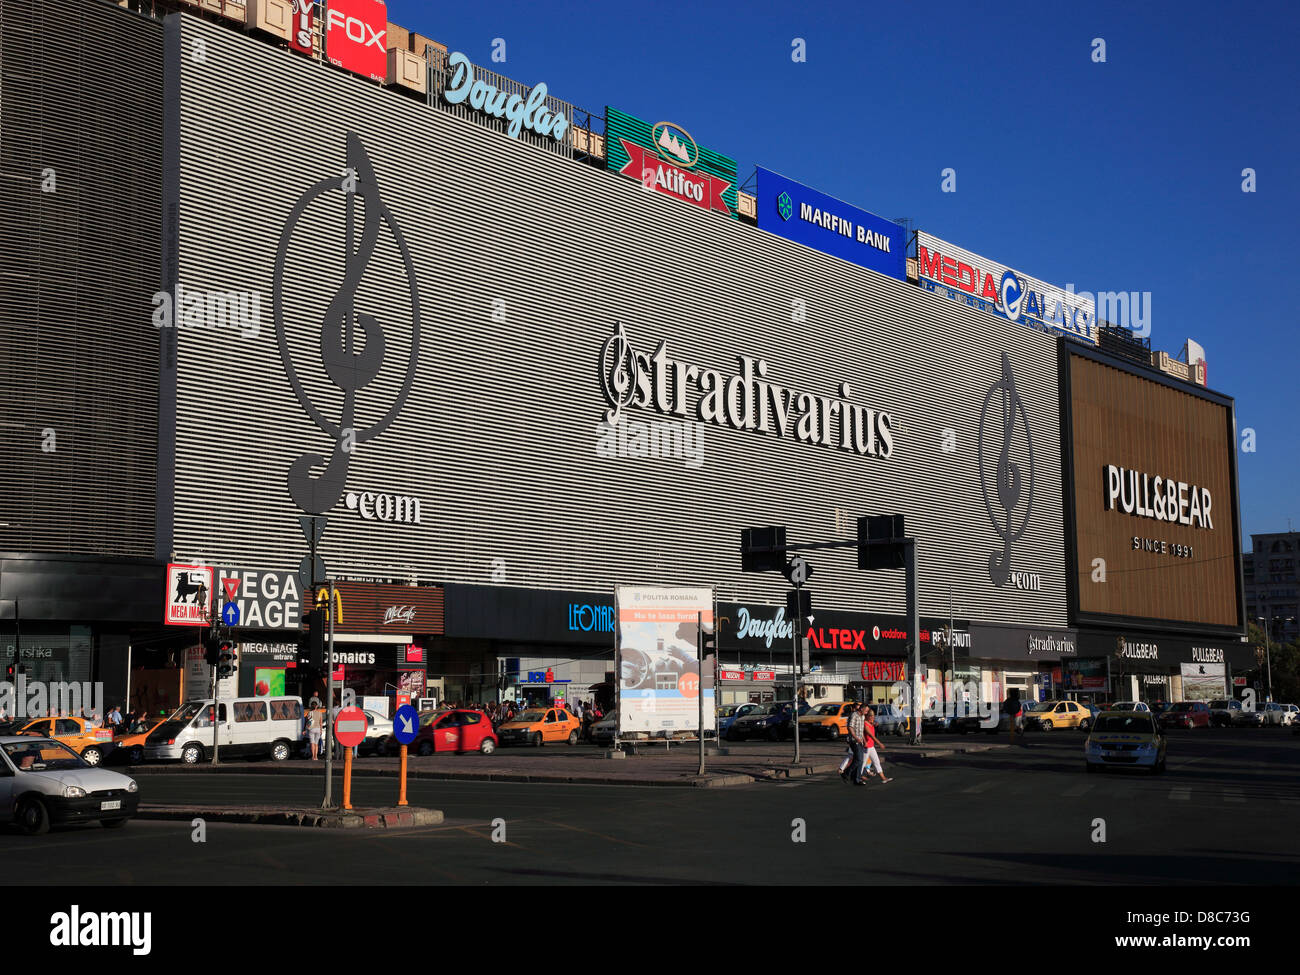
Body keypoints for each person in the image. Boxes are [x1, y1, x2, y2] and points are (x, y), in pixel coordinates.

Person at [861, 707, 892, 784]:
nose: (873, 718)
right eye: (871, 716)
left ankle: (883, 778)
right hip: (866, 747)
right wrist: (880, 743)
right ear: (867, 716)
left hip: (871, 746)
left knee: (876, 762)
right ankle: (857, 777)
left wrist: (874, 723)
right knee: (863, 763)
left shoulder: (870, 723)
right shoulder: (865, 724)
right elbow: (871, 736)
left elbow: (874, 723)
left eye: (873, 716)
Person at [844, 703, 867, 785]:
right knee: (859, 759)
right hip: (854, 740)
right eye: (866, 710)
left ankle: (857, 779)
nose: (866, 712)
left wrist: (864, 740)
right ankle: (846, 772)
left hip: (860, 741)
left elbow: (861, 730)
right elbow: (850, 727)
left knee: (860, 760)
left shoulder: (862, 717)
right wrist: (856, 738)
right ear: (862, 709)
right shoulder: (854, 715)